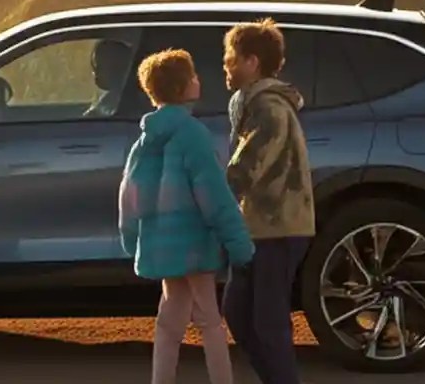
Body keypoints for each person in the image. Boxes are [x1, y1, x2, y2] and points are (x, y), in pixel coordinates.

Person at [120, 49, 254, 384]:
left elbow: (129, 193)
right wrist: (239, 244)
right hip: (195, 244)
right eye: (192, 76)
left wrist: (132, 237)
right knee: (209, 319)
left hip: (161, 244)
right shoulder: (193, 135)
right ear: (182, 88)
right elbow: (214, 196)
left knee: (169, 320)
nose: (199, 80)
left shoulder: (145, 140)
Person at [222, 19, 315, 384]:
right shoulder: (250, 103)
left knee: (268, 323)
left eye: (231, 57)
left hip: (279, 227)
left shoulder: (270, 109)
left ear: (252, 62)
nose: (226, 65)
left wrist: (205, 197)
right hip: (256, 227)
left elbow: (245, 168)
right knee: (239, 312)